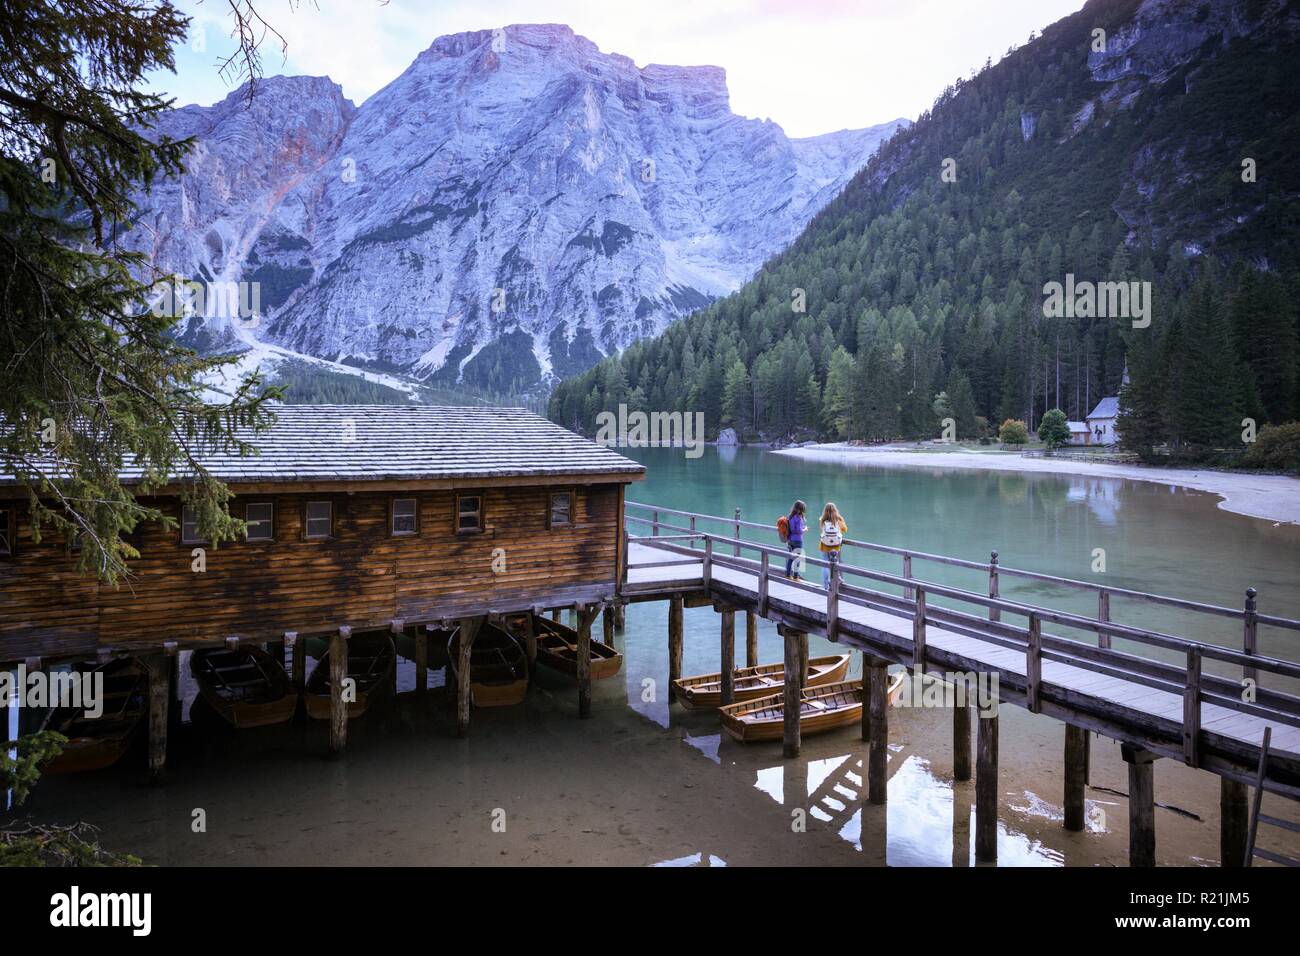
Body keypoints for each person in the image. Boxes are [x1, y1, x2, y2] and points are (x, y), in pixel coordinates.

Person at [818, 502, 847, 590]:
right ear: (835, 510)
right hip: (836, 546)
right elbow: (845, 529)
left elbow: (822, 529)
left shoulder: (822, 520)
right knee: (836, 563)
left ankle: (826, 585)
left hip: (824, 545)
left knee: (825, 564)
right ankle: (837, 582)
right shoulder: (839, 520)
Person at [785, 500, 807, 580]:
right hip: (798, 540)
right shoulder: (798, 518)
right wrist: (805, 529)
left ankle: (787, 575)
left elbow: (792, 529)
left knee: (791, 558)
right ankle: (795, 576)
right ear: (801, 509)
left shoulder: (790, 516)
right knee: (798, 558)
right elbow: (798, 530)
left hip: (791, 540)